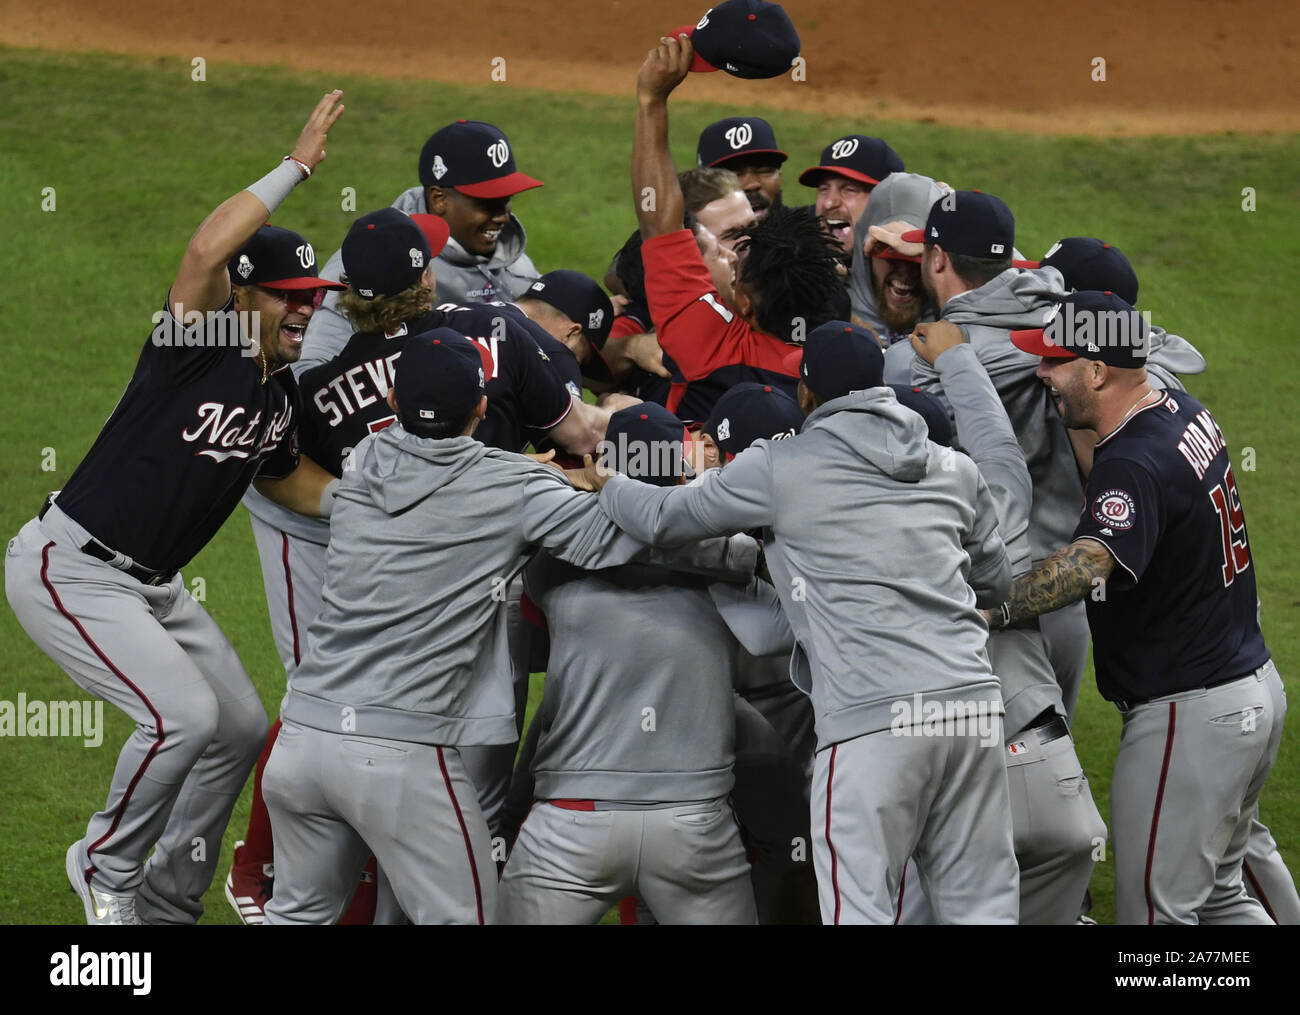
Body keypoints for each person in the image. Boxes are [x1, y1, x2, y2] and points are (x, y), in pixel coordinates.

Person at [261, 331, 755, 924]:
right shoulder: (515, 488)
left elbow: (442, 480)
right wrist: (731, 548)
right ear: (481, 407)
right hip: (400, 750)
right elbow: (629, 539)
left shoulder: (364, 467)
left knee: (297, 917)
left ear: (391, 400)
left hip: (300, 742)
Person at [5, 91, 348, 925]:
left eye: (312, 294)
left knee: (235, 728)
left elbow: (295, 482)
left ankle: (164, 900)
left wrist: (391, 507)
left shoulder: (276, 393)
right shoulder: (197, 346)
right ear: (243, 297)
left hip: (154, 590)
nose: (305, 306)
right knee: (180, 718)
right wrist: (296, 166)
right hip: (70, 569)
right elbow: (204, 248)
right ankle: (104, 863)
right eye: (286, 294)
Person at [224, 208, 607, 922]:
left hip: (314, 724)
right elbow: (584, 445)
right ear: (427, 277)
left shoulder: (336, 422)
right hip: (443, 700)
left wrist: (344, 499)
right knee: (464, 881)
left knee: (306, 909)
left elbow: (277, 469)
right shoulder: (491, 342)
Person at [580, 320, 1020, 924]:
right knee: (983, 909)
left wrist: (612, 484)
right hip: (972, 710)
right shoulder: (952, 467)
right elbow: (995, 582)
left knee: (859, 911)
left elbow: (662, 519)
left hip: (874, 719)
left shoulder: (779, 466)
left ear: (806, 395)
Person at [990, 291, 1287, 924]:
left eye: (1055, 362)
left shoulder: (1132, 461)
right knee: (1221, 899)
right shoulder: (1179, 410)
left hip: (1190, 715)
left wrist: (988, 609)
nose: (1041, 374)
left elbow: (1087, 564)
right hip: (1250, 692)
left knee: (1155, 919)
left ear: (1097, 371)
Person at [497, 403, 756, 925]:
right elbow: (730, 552)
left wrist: (590, 492)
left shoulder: (555, 558)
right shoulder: (731, 550)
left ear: (604, 462)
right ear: (678, 466)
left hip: (572, 820)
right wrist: (683, 514)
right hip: (694, 820)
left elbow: (594, 551)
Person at [896, 319, 1107, 924]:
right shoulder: (998, 502)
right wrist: (958, 359)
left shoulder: (865, 541)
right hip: (1052, 780)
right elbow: (994, 440)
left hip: (956, 789)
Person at [896, 191, 1087, 722]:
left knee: (984, 784)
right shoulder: (1070, 328)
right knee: (1049, 766)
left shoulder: (917, 356)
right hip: (1068, 595)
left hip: (985, 609)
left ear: (936, 260)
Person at [633, 33, 843, 423]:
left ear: (745, 302)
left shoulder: (710, 343)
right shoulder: (838, 371)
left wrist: (652, 100)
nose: (731, 256)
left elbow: (658, 221)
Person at [846, 171, 946, 350]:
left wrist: (969, 236)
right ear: (865, 253)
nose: (905, 273)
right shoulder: (826, 310)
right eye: (890, 254)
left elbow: (1010, 293)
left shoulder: (958, 320)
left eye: (917, 257)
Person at [798, 134, 903, 257]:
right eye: (824, 189)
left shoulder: (918, 269)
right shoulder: (794, 253)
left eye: (849, 190)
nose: (829, 203)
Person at [696, 116, 787, 221]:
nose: (752, 184)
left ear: (779, 174)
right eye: (734, 174)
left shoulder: (806, 232)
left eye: (764, 170)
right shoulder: (685, 235)